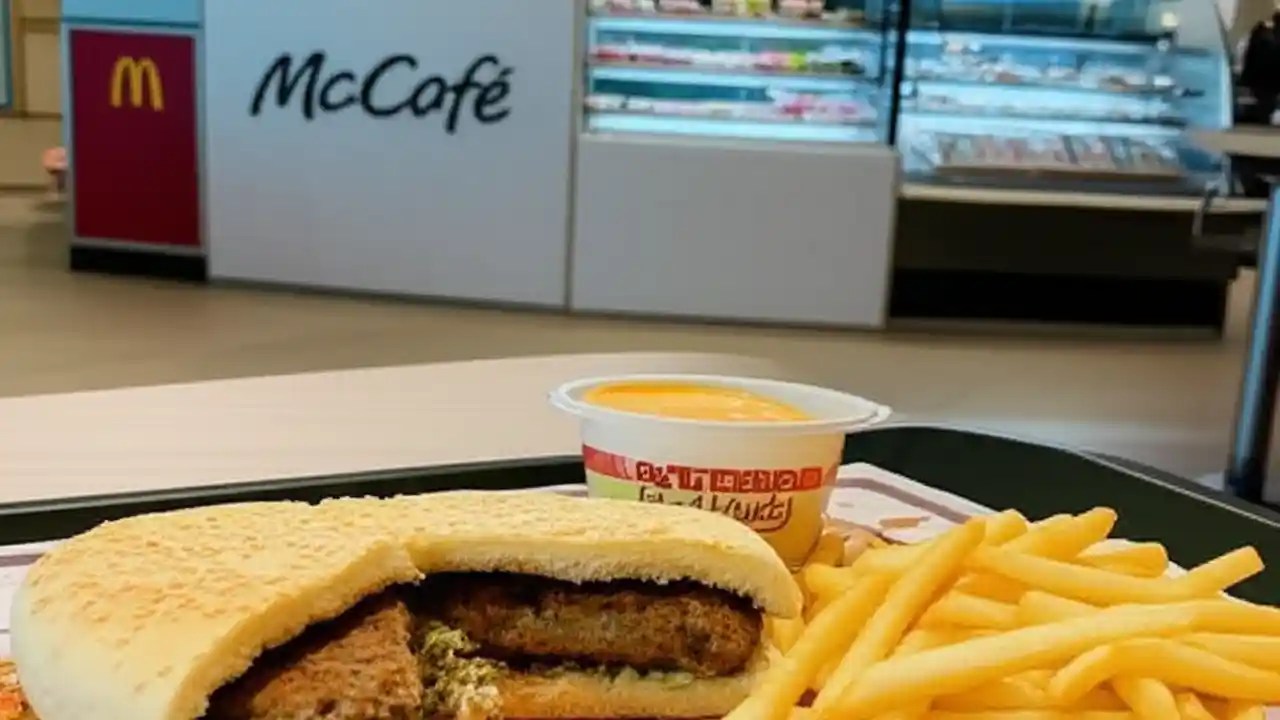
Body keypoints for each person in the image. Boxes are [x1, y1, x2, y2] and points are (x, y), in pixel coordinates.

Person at [1241, 13, 1280, 124]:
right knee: (1266, 103)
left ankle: (1264, 119)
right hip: (1266, 78)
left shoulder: (1262, 35)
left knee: (1265, 104)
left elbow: (1250, 57)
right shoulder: (1264, 36)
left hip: (1263, 78)